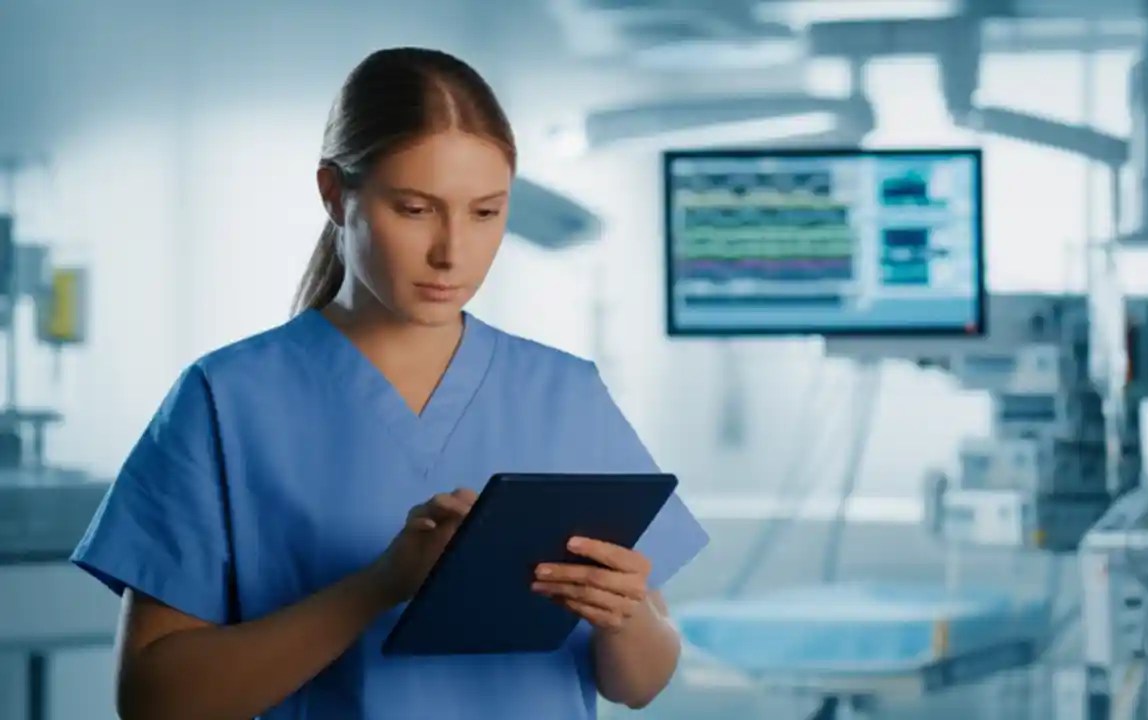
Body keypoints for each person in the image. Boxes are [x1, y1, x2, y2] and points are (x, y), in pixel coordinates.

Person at [70, 47, 708, 720]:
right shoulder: (226, 401)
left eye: (486, 213)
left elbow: (638, 684)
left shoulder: (565, 393)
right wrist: (379, 585)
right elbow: (155, 702)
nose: (452, 251)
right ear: (334, 194)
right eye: (414, 209)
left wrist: (624, 617)